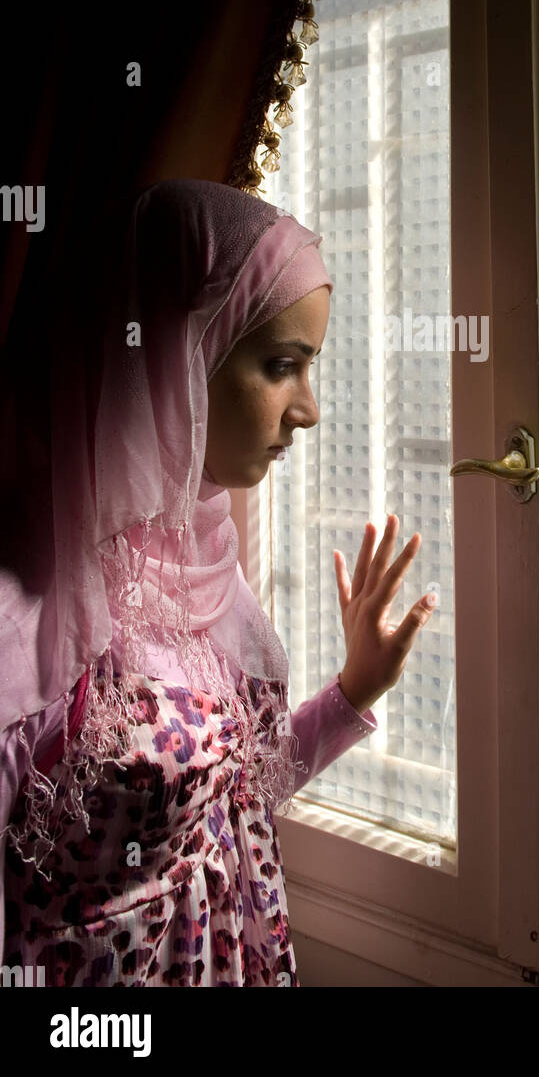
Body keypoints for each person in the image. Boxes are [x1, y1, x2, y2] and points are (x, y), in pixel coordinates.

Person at [0, 178, 434, 986]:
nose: (308, 410)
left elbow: (228, 803)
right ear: (173, 359)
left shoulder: (202, 562)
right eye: (281, 366)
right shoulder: (26, 615)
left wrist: (351, 695)